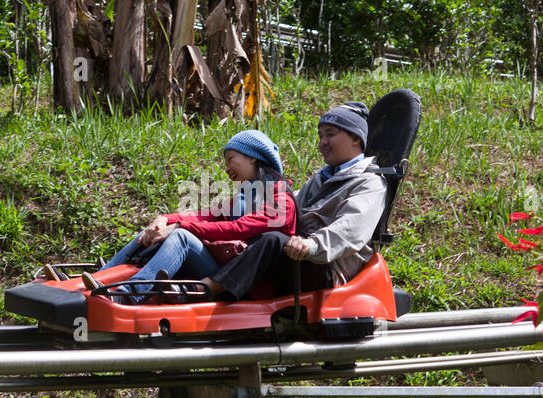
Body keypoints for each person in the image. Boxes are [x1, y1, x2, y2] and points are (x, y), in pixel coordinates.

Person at [74, 130, 296, 302]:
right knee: (158, 231)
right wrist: (165, 220)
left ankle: (130, 294)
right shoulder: (244, 198)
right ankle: (96, 279)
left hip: (242, 283)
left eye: (230, 159)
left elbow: (239, 228)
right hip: (224, 268)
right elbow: (204, 215)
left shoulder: (281, 202)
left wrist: (180, 226)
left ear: (253, 157)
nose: (226, 169)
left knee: (181, 236)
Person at [198, 101, 386, 301]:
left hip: (327, 266)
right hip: (296, 256)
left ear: (356, 138)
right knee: (256, 234)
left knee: (273, 239)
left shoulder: (370, 183)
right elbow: (285, 207)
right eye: (321, 136)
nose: (323, 142)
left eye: (330, 134)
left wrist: (311, 246)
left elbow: (350, 229)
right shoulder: (320, 179)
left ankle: (210, 288)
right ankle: (189, 282)